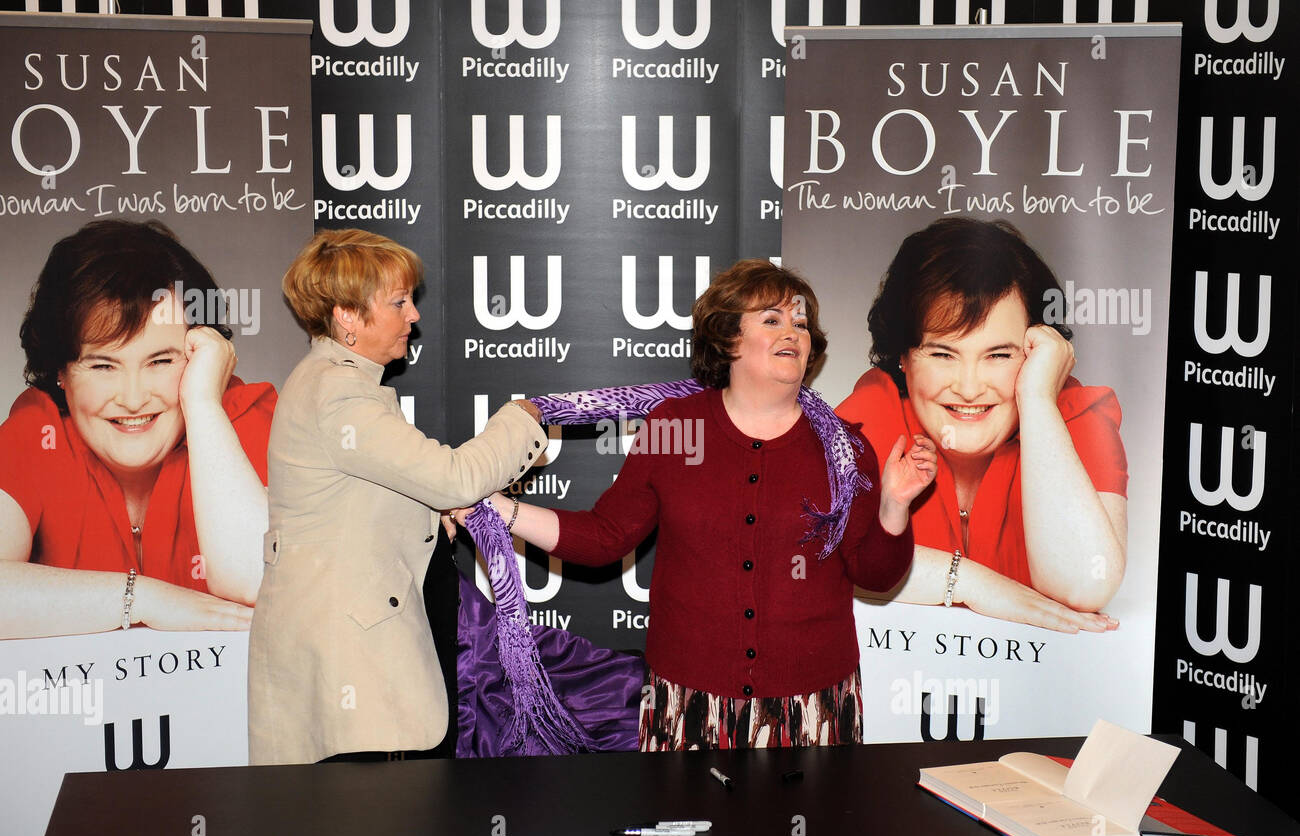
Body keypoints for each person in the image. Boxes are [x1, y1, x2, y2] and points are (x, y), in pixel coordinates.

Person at [455, 259, 935, 751]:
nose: (792, 331)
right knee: (694, 831)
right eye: (772, 319)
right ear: (728, 339)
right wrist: (496, 510)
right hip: (686, 706)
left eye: (801, 323)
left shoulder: (844, 450)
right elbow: (605, 537)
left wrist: (895, 504)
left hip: (813, 710)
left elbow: (876, 575)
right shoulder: (675, 427)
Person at [247, 229, 547, 765]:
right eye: (398, 302)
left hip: (356, 649)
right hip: (352, 660)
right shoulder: (338, 393)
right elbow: (454, 476)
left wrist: (432, 512)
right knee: (371, 832)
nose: (413, 316)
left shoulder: (340, 385)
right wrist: (523, 419)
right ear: (347, 316)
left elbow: (370, 491)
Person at [836, 218, 1128, 634]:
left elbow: (1085, 584)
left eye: (999, 355)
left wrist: (1038, 400)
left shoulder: (1074, 418)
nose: (970, 388)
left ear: (1036, 352)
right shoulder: (873, 415)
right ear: (903, 357)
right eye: (941, 354)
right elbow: (807, 550)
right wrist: (972, 583)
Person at [0, 220, 274, 639]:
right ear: (61, 371)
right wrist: (145, 599)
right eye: (103, 365)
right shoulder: (39, 433)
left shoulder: (238, 417)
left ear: (201, 353)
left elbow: (258, 581)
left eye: (161, 361)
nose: (132, 398)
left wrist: (202, 403)